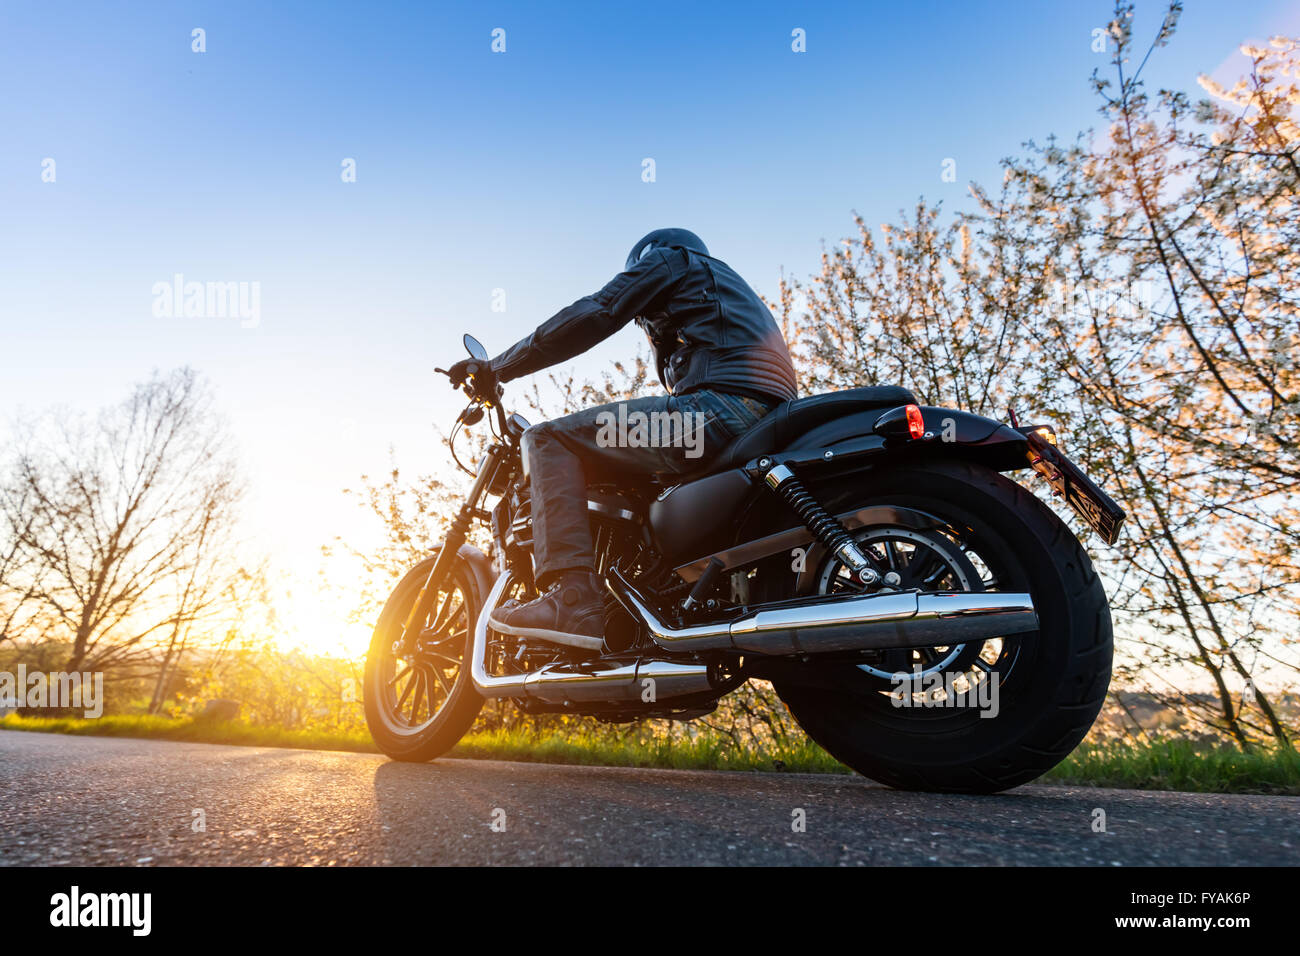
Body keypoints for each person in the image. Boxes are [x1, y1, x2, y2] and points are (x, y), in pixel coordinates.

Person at [446, 228, 798, 651]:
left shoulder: (672, 260)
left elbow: (596, 312)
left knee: (547, 439)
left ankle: (572, 600)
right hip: (755, 418)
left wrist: (498, 368)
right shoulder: (725, 293)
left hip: (712, 412)